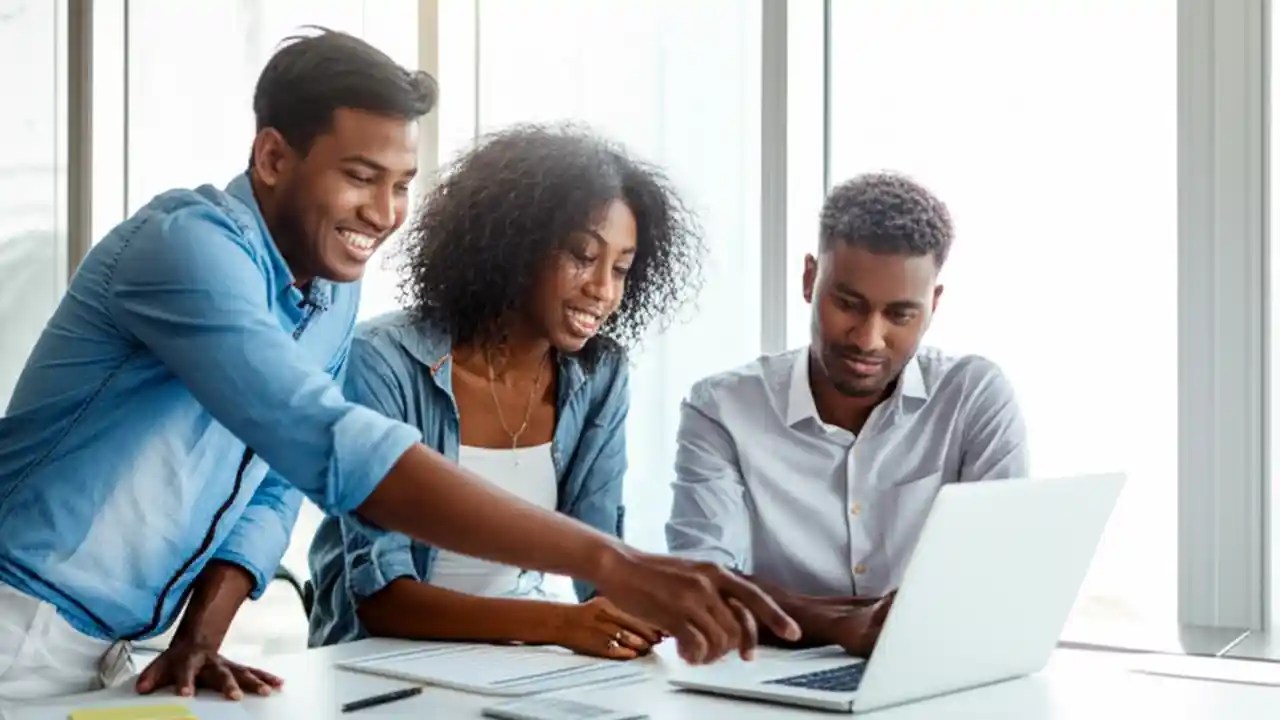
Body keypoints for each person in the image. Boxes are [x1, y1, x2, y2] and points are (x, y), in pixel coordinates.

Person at [0, 30, 796, 703]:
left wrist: (200, 637)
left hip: (114, 651)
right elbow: (325, 442)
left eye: (402, 185)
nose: (383, 215)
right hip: (14, 622)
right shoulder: (187, 248)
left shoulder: (327, 294)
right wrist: (609, 561)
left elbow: (276, 480)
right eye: (359, 177)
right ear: (273, 157)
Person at [307, 124, 701, 660]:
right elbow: (382, 599)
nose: (603, 290)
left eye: (622, 269)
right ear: (514, 244)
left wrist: (642, 618)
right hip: (381, 669)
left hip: (518, 663)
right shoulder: (384, 360)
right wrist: (561, 625)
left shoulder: (599, 374)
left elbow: (599, 558)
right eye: (582, 256)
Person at [665, 171, 1029, 657]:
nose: (867, 338)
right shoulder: (722, 410)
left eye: (900, 315)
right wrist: (838, 626)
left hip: (932, 670)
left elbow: (1003, 580)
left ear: (933, 304)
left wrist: (796, 609)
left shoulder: (973, 397)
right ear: (810, 278)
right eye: (848, 303)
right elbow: (699, 589)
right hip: (771, 681)